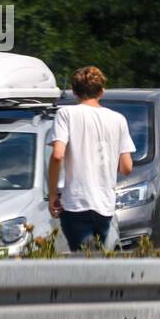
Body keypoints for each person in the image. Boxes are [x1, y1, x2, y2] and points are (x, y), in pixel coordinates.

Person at [48, 66, 135, 253]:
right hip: (105, 205)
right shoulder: (118, 119)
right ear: (102, 91)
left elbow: (57, 155)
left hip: (76, 203)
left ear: (74, 91)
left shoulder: (66, 114)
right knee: (99, 257)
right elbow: (127, 167)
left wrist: (53, 194)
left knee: (83, 262)